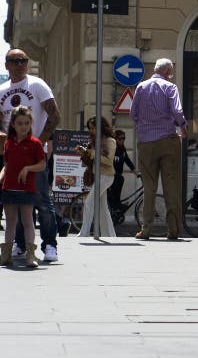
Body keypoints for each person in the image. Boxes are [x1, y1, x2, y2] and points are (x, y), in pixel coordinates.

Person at [0, 48, 62, 262]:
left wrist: (38, 143)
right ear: (6, 64)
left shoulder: (37, 85)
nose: (20, 64)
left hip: (35, 156)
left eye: (23, 60)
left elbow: (54, 116)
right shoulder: (2, 91)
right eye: (15, 61)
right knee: (17, 202)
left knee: (42, 201)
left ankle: (49, 245)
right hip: (13, 156)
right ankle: (20, 245)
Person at [130, 58, 187, 240]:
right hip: (168, 141)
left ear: (155, 69)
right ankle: (173, 230)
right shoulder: (170, 87)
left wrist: (145, 128)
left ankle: (146, 230)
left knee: (149, 187)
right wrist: (183, 127)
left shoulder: (141, 87)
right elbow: (177, 111)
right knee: (171, 185)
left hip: (146, 143)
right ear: (169, 71)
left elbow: (133, 114)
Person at [0, 106, 46, 267]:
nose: (24, 126)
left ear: (31, 123)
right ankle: (6, 255)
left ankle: (31, 255)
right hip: (8, 188)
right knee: (10, 222)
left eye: (27, 123)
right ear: (13, 124)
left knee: (27, 221)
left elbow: (42, 165)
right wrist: (1, 176)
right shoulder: (8, 143)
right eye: (20, 123)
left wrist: (27, 168)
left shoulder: (35, 143)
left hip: (27, 188)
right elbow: (7, 164)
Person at [77, 117, 116, 237]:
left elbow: (109, 161)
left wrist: (93, 153)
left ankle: (84, 233)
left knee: (89, 202)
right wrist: (84, 153)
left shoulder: (110, 141)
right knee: (103, 208)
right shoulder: (96, 141)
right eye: (90, 128)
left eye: (93, 128)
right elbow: (92, 160)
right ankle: (110, 235)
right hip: (99, 175)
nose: (91, 131)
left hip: (106, 176)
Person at [107, 129, 137, 213]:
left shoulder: (122, 149)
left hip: (117, 175)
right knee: (118, 181)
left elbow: (128, 161)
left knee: (120, 179)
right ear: (115, 139)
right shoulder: (113, 148)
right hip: (110, 175)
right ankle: (115, 205)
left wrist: (136, 173)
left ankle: (116, 205)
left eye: (123, 138)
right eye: (120, 139)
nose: (122, 140)